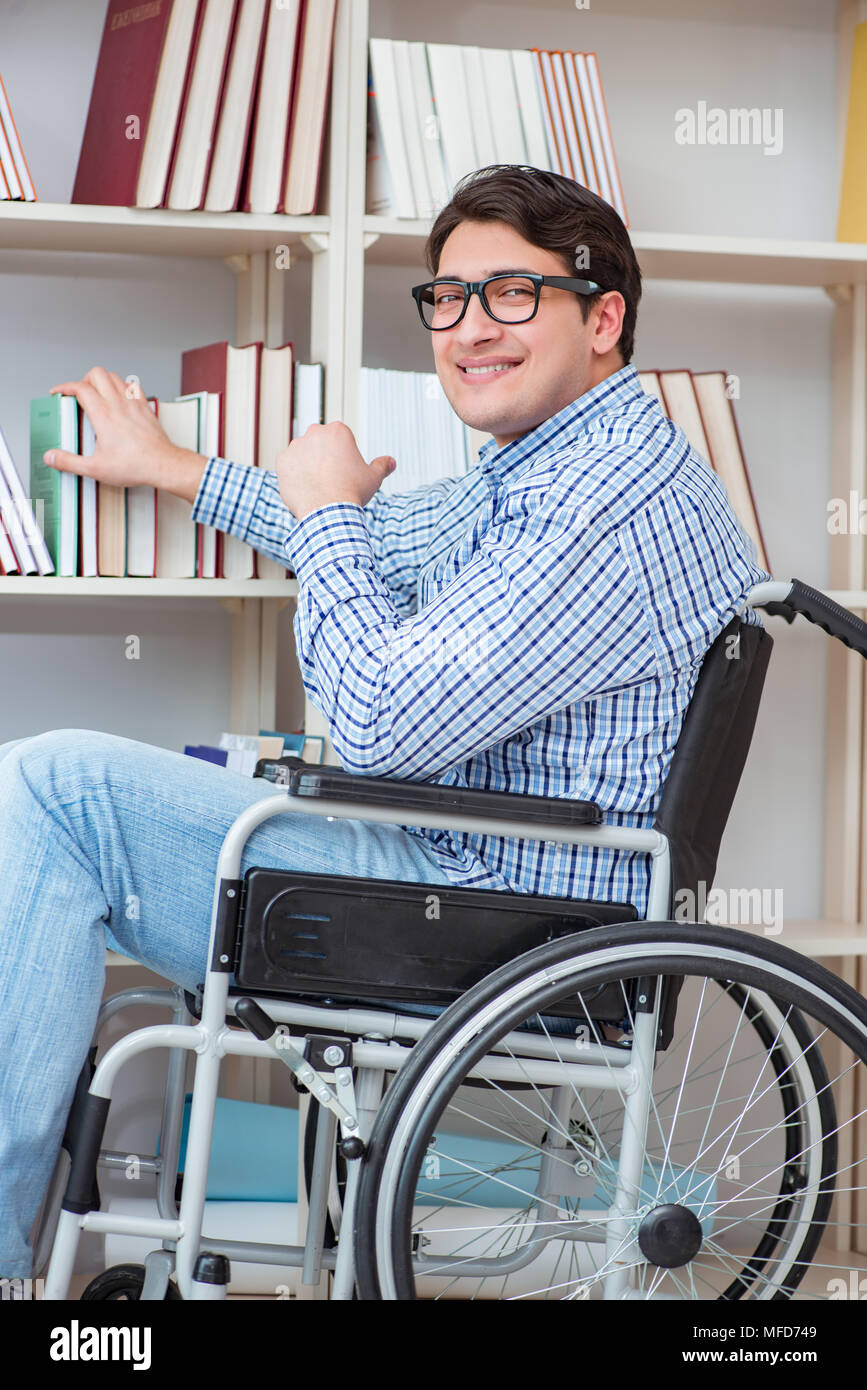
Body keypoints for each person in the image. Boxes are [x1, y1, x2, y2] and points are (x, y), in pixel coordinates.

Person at [0, 164, 768, 1276]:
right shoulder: (571, 463)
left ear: (603, 318)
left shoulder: (600, 502)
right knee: (63, 816)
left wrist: (325, 516)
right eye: (447, 299)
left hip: (488, 924)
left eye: (511, 294)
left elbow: (375, 724)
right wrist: (183, 471)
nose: (466, 329)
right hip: (482, 884)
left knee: (50, 795)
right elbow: (387, 536)